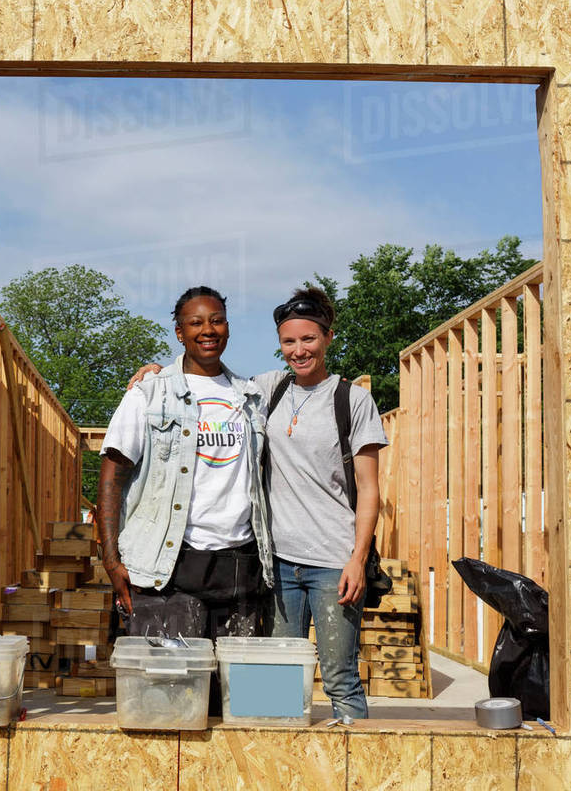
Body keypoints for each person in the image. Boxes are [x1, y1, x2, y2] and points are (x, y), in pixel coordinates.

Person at [128, 286, 387, 719]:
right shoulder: (268, 390)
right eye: (289, 342)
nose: (299, 350)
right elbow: (210, 379)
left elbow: (370, 489)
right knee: (276, 673)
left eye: (308, 339)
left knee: (340, 673)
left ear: (327, 338)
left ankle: (351, 768)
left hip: (332, 563)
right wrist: (159, 373)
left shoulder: (352, 401)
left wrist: (358, 559)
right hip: (278, 564)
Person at [96, 286, 272, 642]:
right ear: (180, 332)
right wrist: (111, 561)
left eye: (217, 321)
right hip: (168, 568)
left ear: (228, 328)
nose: (208, 330)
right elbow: (112, 477)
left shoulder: (251, 398)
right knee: (169, 691)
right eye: (196, 323)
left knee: (238, 695)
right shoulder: (148, 394)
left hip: (239, 566)